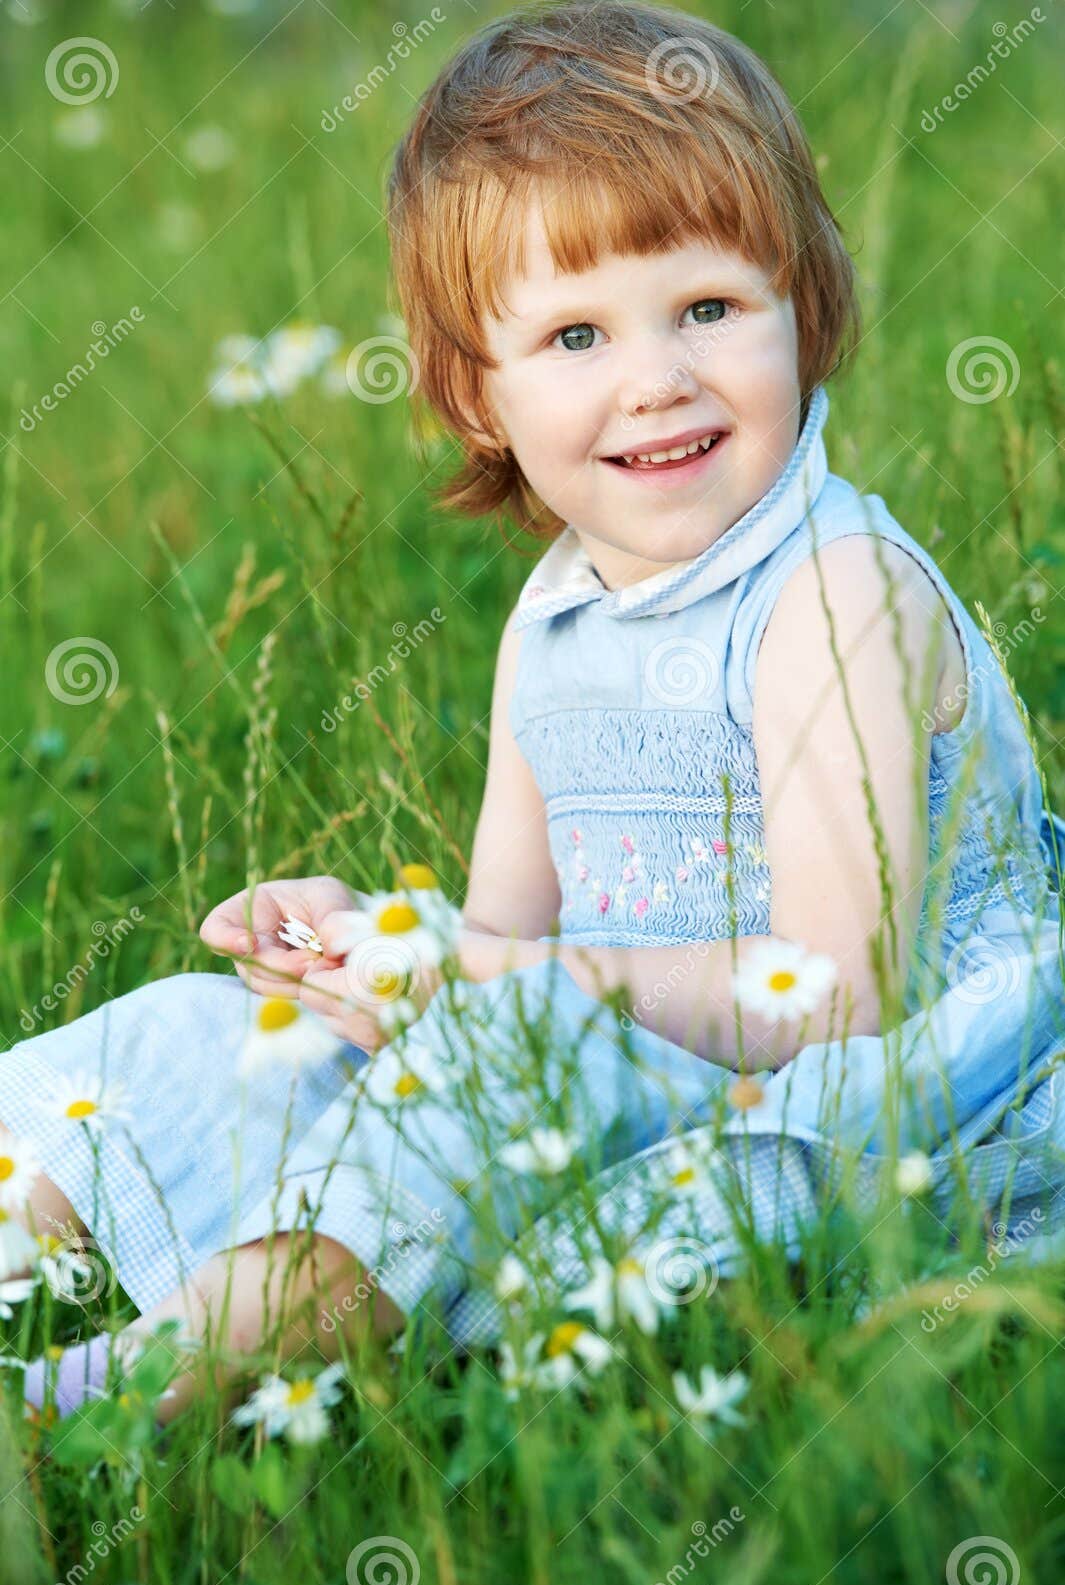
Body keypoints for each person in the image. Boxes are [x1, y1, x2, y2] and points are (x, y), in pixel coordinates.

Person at [3, 1, 1063, 1422]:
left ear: (801, 310)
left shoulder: (831, 596)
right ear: (473, 394)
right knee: (198, 1032)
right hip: (619, 1074)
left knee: (465, 1105)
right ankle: (34, 1243)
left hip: (882, 1128)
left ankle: (98, 1408)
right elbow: (495, 952)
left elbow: (835, 999)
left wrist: (510, 983)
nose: (655, 377)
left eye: (706, 307)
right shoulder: (554, 616)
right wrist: (377, 953)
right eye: (572, 332)